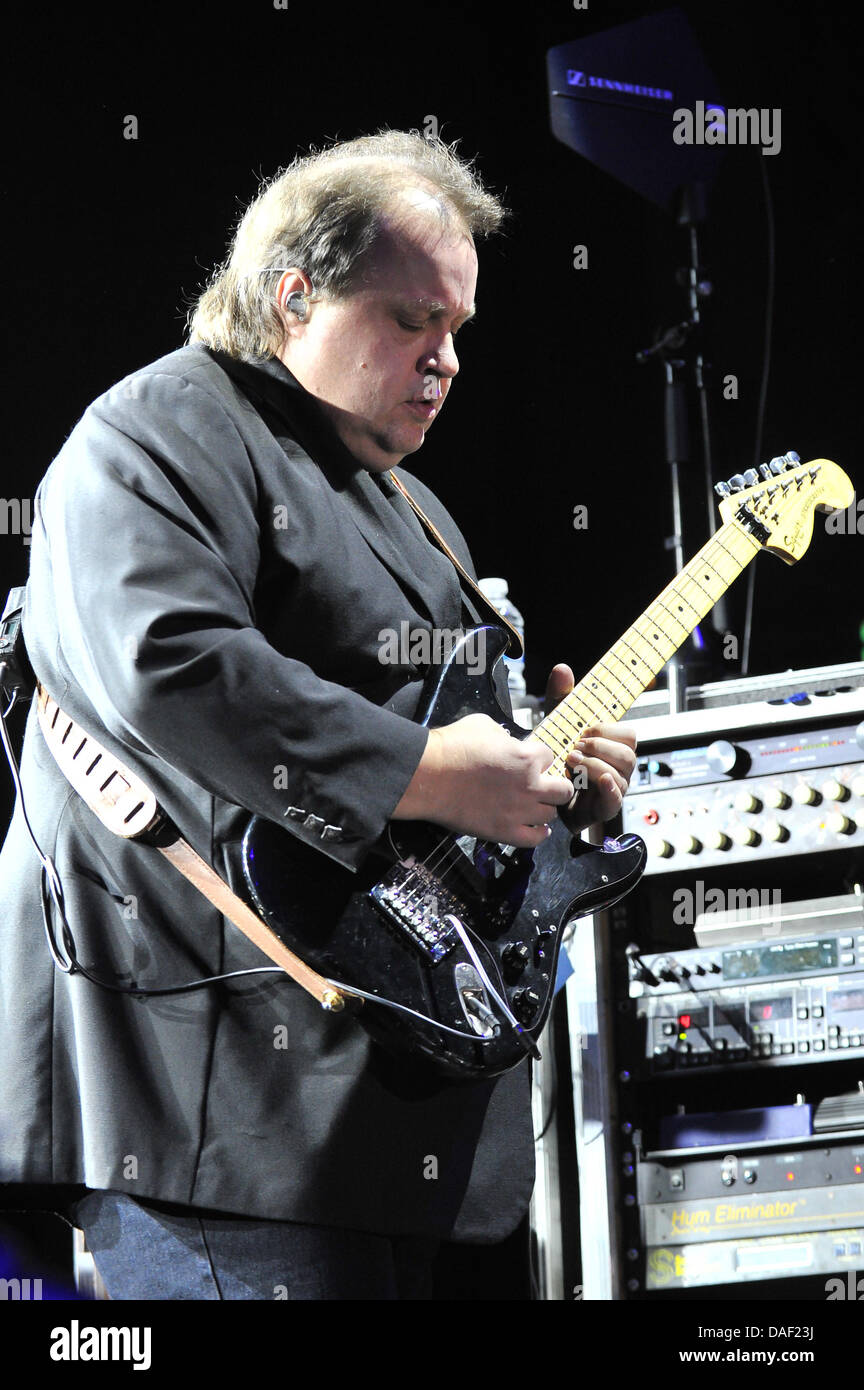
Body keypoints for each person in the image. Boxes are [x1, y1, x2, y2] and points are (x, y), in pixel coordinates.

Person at [0, 130, 636, 1299]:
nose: (444, 362)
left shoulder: (413, 506)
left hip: (378, 1113)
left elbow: (448, 771)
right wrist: (433, 771)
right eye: (410, 322)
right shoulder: (155, 430)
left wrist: (542, 778)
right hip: (218, 1107)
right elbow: (169, 668)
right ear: (294, 295)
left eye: (456, 332)